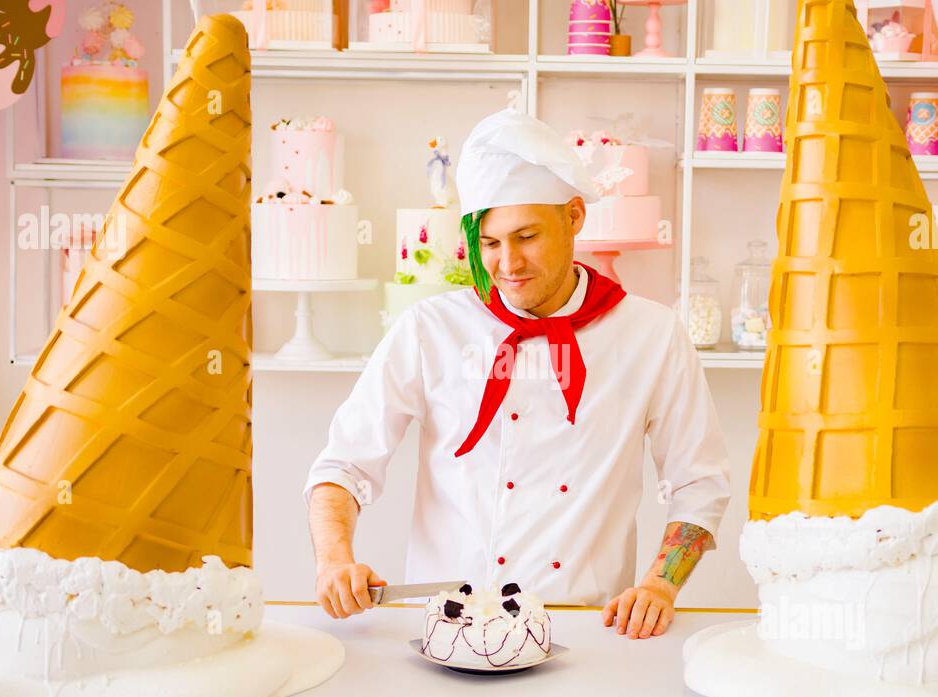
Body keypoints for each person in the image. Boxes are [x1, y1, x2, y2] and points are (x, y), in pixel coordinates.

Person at [305, 106, 731, 639]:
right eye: (489, 243)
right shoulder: (430, 330)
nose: (507, 264)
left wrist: (659, 585)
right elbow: (344, 464)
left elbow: (699, 481)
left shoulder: (652, 335)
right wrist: (334, 559)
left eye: (526, 236)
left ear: (574, 217)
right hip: (445, 630)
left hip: (581, 632)